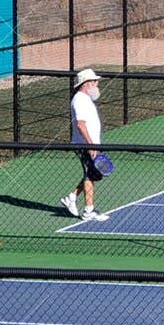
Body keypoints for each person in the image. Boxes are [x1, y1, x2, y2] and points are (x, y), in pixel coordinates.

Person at [61, 68, 110, 222]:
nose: (97, 84)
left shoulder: (85, 98)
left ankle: (72, 197)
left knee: (93, 173)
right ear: (86, 84)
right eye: (94, 81)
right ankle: (88, 210)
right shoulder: (79, 100)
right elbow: (81, 124)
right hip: (84, 145)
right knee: (90, 174)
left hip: (90, 144)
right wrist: (91, 145)